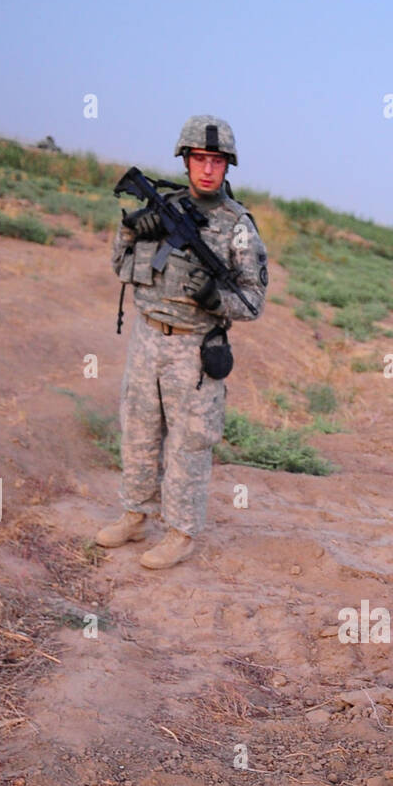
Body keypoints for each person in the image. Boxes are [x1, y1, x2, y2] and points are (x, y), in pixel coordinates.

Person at [96, 115, 267, 569]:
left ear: (227, 166)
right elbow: (120, 266)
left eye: (216, 161)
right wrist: (132, 229)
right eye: (199, 159)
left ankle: (179, 533)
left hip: (192, 351)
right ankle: (134, 515)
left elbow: (252, 301)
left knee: (188, 444)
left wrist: (215, 298)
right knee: (137, 430)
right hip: (146, 338)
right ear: (185, 160)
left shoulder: (238, 226)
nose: (207, 169)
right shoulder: (163, 206)